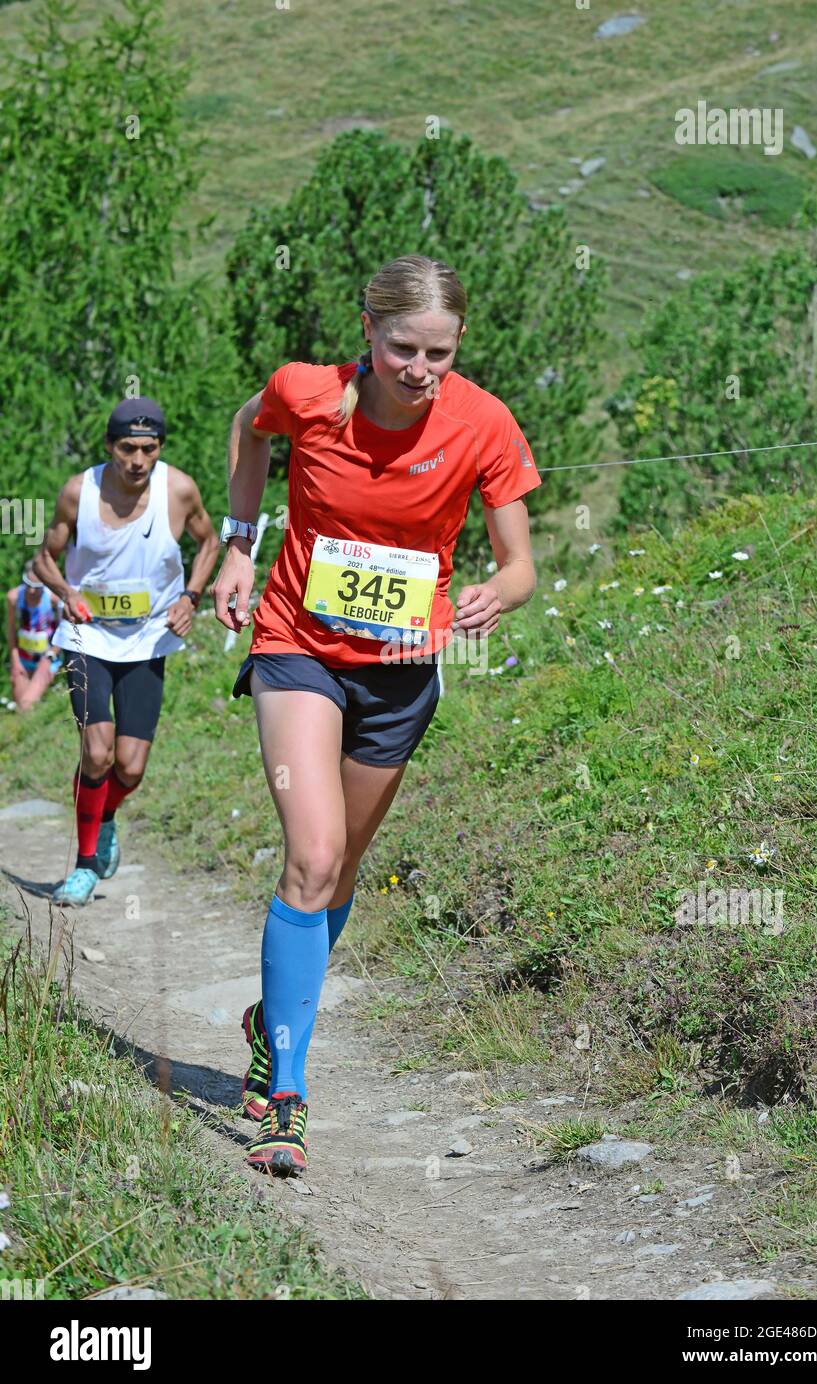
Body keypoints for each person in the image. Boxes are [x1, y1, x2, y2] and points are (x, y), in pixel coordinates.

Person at [212, 254, 543, 1177]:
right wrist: (240, 547)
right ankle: (287, 1093)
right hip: (297, 645)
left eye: (437, 352)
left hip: (401, 669)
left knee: (342, 869)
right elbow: (249, 427)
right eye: (402, 347)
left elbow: (519, 562)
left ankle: (269, 1017)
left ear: (458, 345)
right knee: (311, 856)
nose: (419, 369)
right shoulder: (307, 393)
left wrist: (495, 594)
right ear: (367, 330)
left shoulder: (483, 422)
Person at [33, 397, 220, 907]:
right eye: (127, 448)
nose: (138, 460)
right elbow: (45, 558)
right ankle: (84, 865)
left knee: (130, 767)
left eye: (149, 448)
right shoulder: (79, 491)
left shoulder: (177, 489)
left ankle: (105, 815)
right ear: (109, 447)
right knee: (97, 752)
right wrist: (68, 594)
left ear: (159, 446)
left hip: (145, 639)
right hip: (86, 636)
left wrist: (191, 595)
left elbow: (208, 542)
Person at [6, 559, 64, 711]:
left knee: (26, 705)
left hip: (47, 658)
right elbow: (11, 629)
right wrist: (15, 660)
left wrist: (52, 654)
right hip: (23, 658)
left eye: (37, 587)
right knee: (21, 707)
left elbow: (64, 629)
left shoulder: (53, 599)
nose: (31, 590)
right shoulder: (14, 597)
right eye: (28, 585)